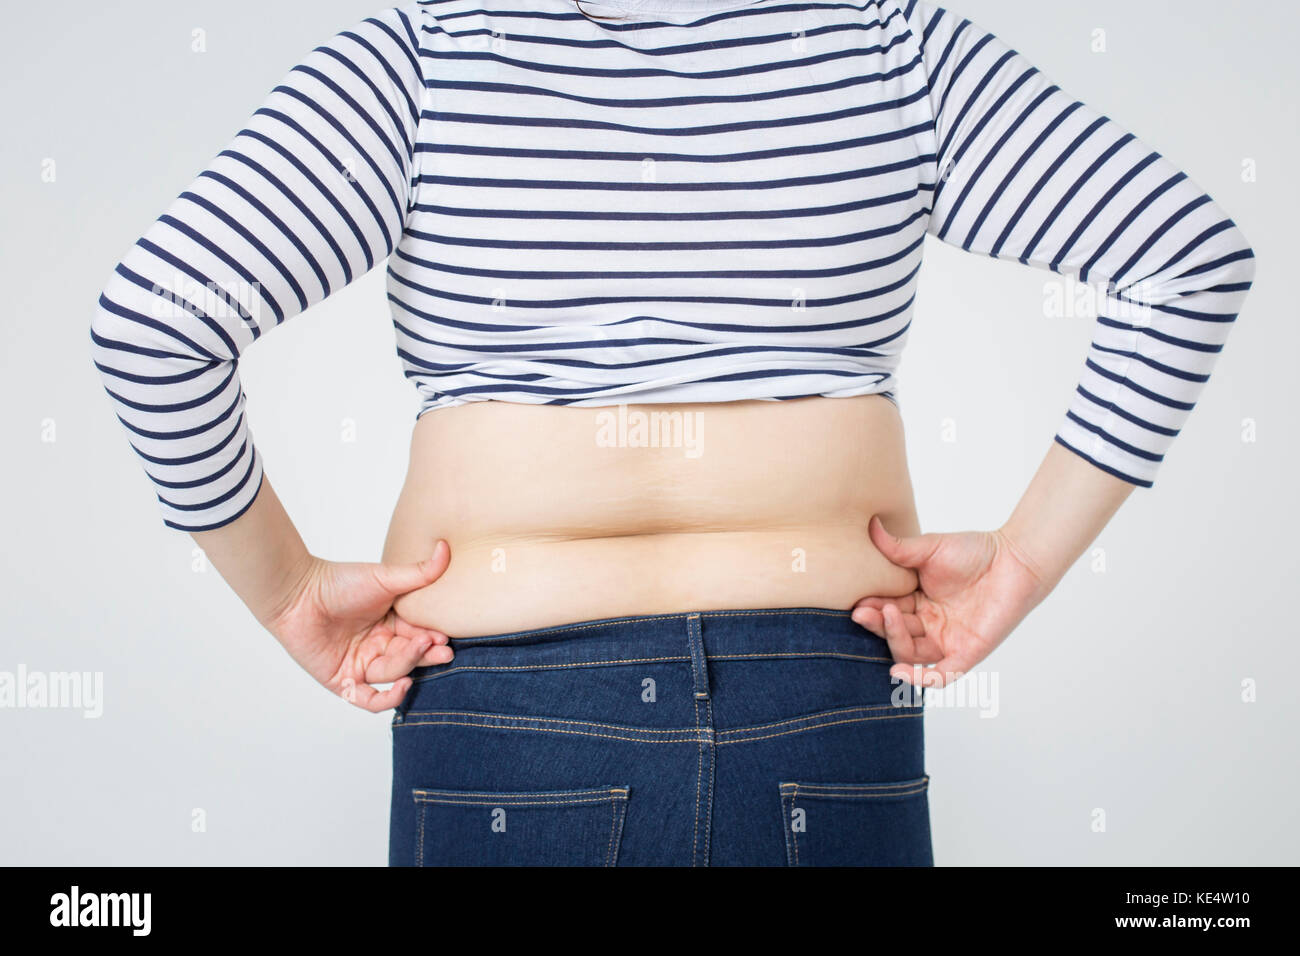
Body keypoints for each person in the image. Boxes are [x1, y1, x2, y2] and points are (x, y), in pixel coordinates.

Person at [89, 0, 1256, 866]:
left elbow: (154, 325)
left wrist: (292, 595)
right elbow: (1184, 259)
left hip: (509, 711)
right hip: (821, 698)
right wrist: (1016, 570)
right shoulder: (885, 46)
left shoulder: (426, 58)